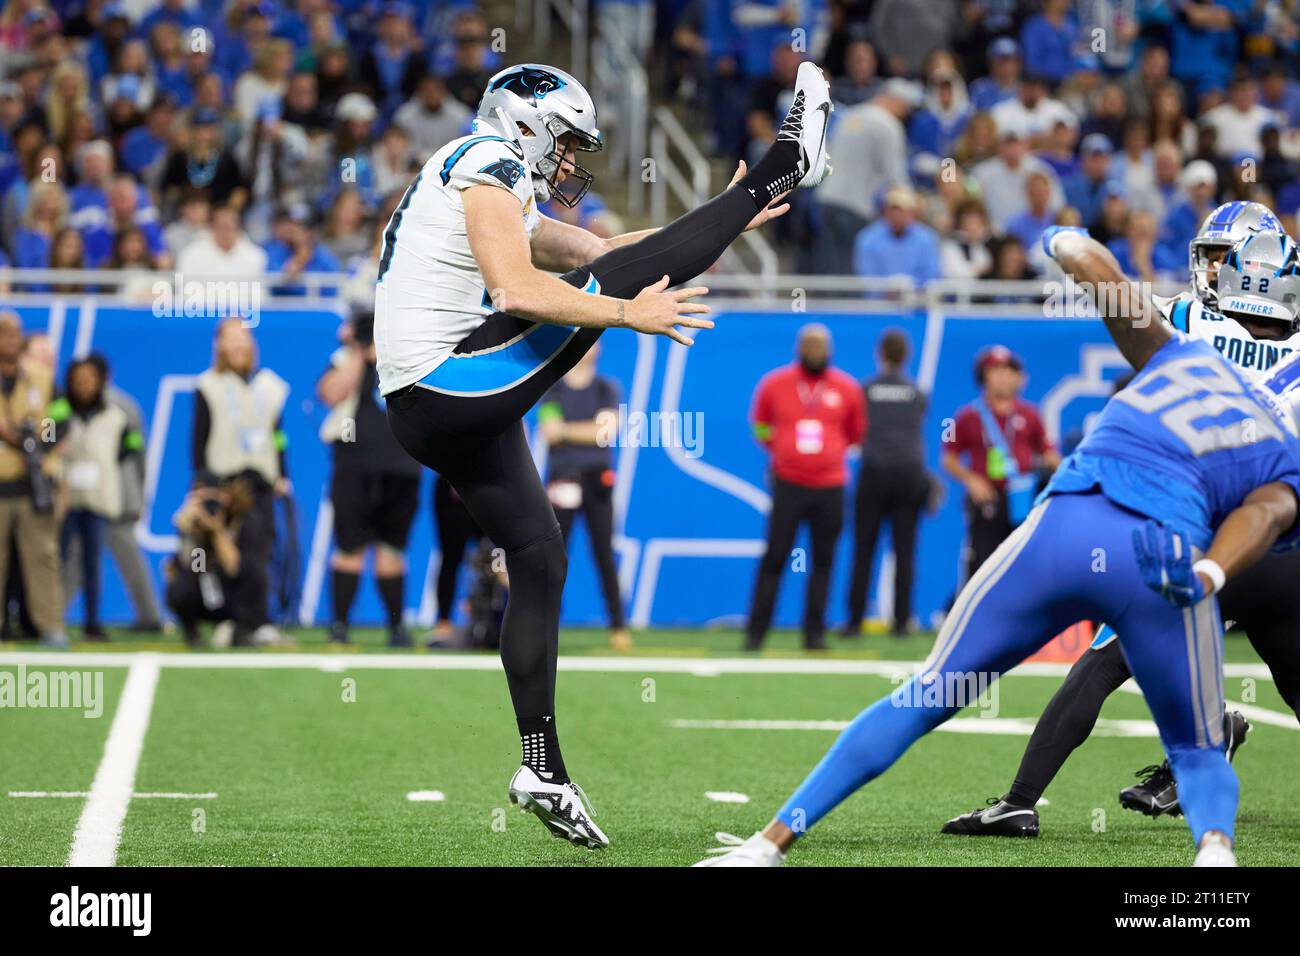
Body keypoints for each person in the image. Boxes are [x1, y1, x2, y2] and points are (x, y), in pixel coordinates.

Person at [697, 225, 1300, 869]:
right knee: (1199, 751)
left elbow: (1103, 276)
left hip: (1071, 523)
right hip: (1163, 557)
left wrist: (1062, 240)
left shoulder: (1177, 349)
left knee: (928, 691)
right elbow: (1267, 516)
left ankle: (767, 846)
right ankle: (1214, 853)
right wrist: (1207, 575)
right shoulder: (1283, 443)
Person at [378, 61, 831, 849]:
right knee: (602, 288)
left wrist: (719, 223)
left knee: (538, 554)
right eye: (568, 141)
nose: (571, 160)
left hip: (432, 401)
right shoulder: (488, 161)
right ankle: (785, 163)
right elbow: (520, 291)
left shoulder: (488, 175)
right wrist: (624, 312)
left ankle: (540, 766)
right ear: (527, 121)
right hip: (446, 380)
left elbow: (605, 247)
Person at [944, 206, 1300, 837]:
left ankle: (1020, 800)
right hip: (1278, 543)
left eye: (1222, 259)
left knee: (1104, 660)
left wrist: (1067, 244)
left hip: (1206, 531)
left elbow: (1121, 303)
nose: (1209, 270)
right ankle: (1205, 742)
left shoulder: (1190, 319)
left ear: (1258, 267)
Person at [745, 324, 866, 652]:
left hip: (830, 485)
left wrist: (828, 452)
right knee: (775, 557)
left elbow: (856, 433)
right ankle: (756, 633)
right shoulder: (776, 384)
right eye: (810, 345)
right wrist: (781, 448)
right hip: (789, 483)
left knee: (823, 561)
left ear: (830, 349)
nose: (816, 351)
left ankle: (814, 635)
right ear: (799, 347)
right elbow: (759, 424)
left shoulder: (847, 388)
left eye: (821, 345)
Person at [317, 311, 419, 648]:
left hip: (402, 467)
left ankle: (396, 629)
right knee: (350, 547)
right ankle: (340, 627)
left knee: (392, 550)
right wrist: (359, 351)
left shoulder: (411, 354)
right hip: (354, 467)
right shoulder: (347, 360)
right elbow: (329, 394)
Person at [191, 318, 288, 647]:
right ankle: (233, 620)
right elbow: (199, 438)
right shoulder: (209, 384)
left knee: (261, 553)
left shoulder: (270, 386)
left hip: (261, 480)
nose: (237, 346)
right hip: (226, 482)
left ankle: (255, 620)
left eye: (242, 339)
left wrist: (282, 474)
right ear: (219, 345)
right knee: (228, 554)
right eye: (230, 340)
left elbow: (277, 435)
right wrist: (203, 482)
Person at [537, 344, 630, 652]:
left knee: (604, 554)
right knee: (555, 556)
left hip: (596, 481)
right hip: (561, 479)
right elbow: (549, 431)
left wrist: (567, 430)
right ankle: (547, 626)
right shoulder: (553, 389)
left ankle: (618, 627)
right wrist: (580, 430)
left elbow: (604, 433)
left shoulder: (606, 388)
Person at [942, 346, 1059, 588]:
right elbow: (948, 458)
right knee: (983, 564)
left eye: (1008, 370)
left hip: (1024, 499)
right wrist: (971, 479)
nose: (1002, 376)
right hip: (987, 501)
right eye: (995, 370)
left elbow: (1048, 453)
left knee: (1025, 561)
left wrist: (1068, 474)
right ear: (983, 377)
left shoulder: (1030, 414)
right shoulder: (966, 416)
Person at [842, 329, 928, 638]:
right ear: (906, 356)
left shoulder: (865, 390)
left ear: (880, 354)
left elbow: (857, 428)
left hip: (874, 472)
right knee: (904, 551)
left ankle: (854, 621)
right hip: (908, 473)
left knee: (864, 548)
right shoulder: (917, 392)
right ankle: (902, 622)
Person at [57, 356, 135, 640]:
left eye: (90, 380)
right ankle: (52, 620)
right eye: (79, 381)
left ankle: (92, 622)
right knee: (59, 560)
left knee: (92, 563)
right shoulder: (59, 414)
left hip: (99, 497)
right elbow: (47, 442)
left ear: (101, 382)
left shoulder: (116, 416)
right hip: (66, 497)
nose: (84, 386)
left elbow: (130, 447)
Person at [0, 311, 65, 647]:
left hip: (32, 481)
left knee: (43, 555)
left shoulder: (41, 376)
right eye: (3, 334)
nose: (9, 340)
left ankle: (50, 624)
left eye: (14, 334)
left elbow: (58, 419)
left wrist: (38, 442)